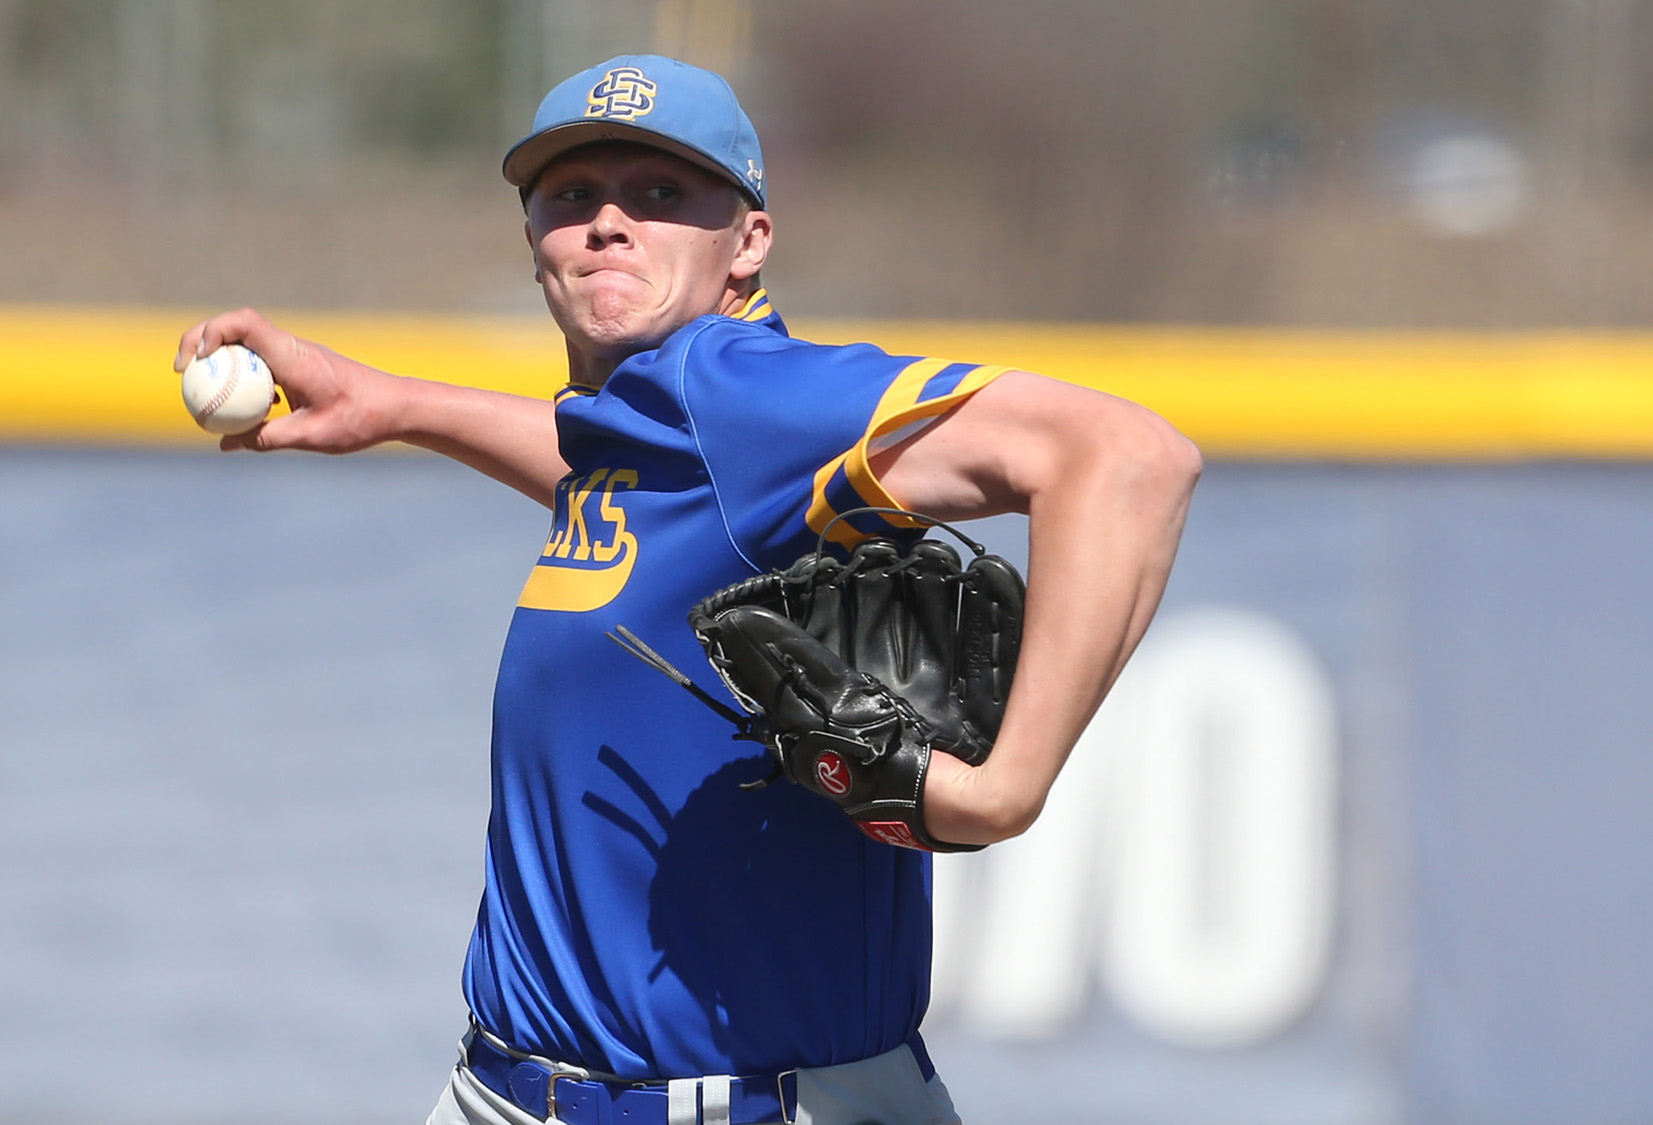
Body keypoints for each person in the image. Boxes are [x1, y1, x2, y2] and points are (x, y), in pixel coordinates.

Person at [175, 55, 1199, 1125]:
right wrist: (396, 405)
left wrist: (1004, 789)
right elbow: (620, 476)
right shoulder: (659, 431)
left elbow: (1130, 458)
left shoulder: (738, 393)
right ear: (533, 243)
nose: (608, 224)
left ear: (747, 242)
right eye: (572, 195)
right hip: (502, 1092)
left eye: (661, 193)